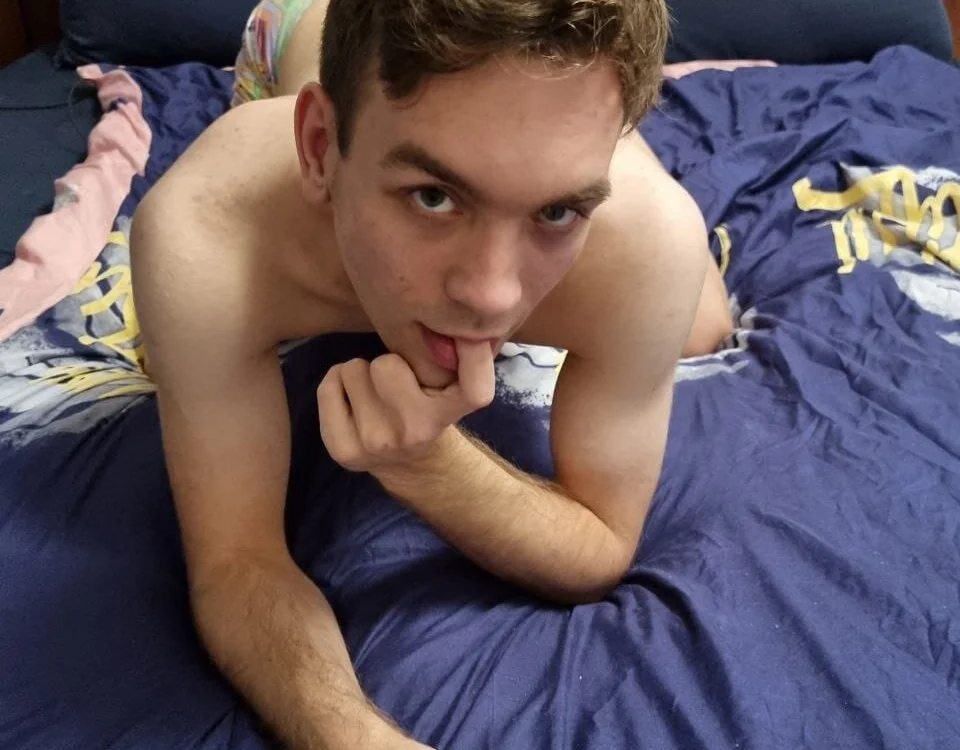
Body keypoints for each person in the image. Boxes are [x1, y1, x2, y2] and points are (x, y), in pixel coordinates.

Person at [130, 1, 734, 747]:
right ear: (318, 146)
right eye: (433, 196)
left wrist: (428, 463)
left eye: (557, 211)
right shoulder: (206, 232)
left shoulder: (648, 240)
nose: (492, 297)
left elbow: (601, 547)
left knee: (704, 327)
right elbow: (235, 564)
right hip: (289, 25)